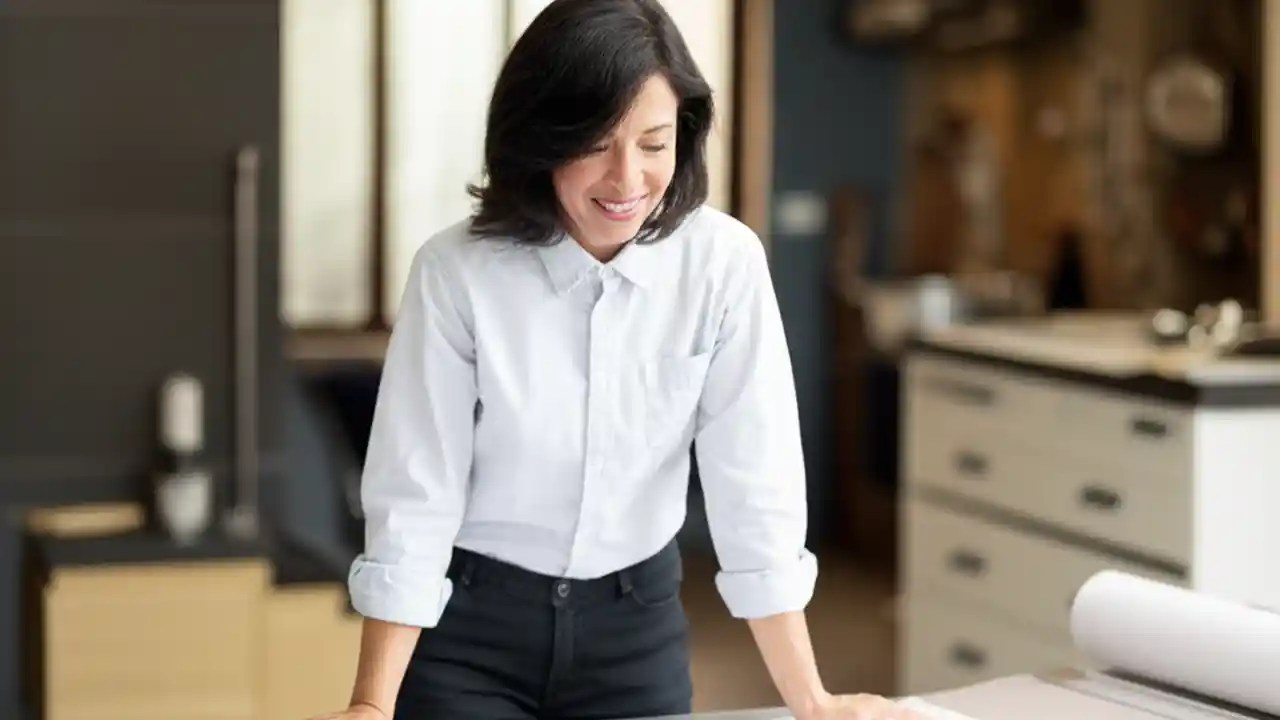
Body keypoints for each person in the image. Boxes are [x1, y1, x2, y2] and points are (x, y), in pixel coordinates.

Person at [313, 1, 918, 718]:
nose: (627, 179)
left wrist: (812, 701)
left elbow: (755, 487)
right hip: (469, 633)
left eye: (654, 144)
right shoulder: (458, 273)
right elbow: (416, 495)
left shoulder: (722, 266)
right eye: (596, 144)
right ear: (540, 139)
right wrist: (371, 705)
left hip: (634, 631)